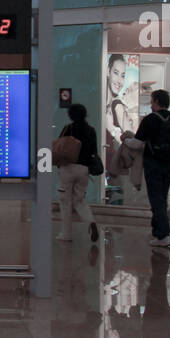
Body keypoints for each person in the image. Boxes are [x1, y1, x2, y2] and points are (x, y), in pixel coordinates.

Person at [134, 88, 170, 248]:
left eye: (151, 101)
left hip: (154, 163)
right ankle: (158, 231)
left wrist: (126, 141)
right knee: (162, 198)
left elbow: (137, 141)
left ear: (156, 102)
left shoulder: (150, 119)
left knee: (156, 198)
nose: (150, 105)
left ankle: (163, 234)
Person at [55, 103, 99, 243]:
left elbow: (58, 147)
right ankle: (91, 222)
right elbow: (94, 152)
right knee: (79, 200)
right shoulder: (91, 130)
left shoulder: (69, 128)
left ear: (70, 115)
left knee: (65, 202)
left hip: (68, 167)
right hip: (84, 170)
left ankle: (66, 234)